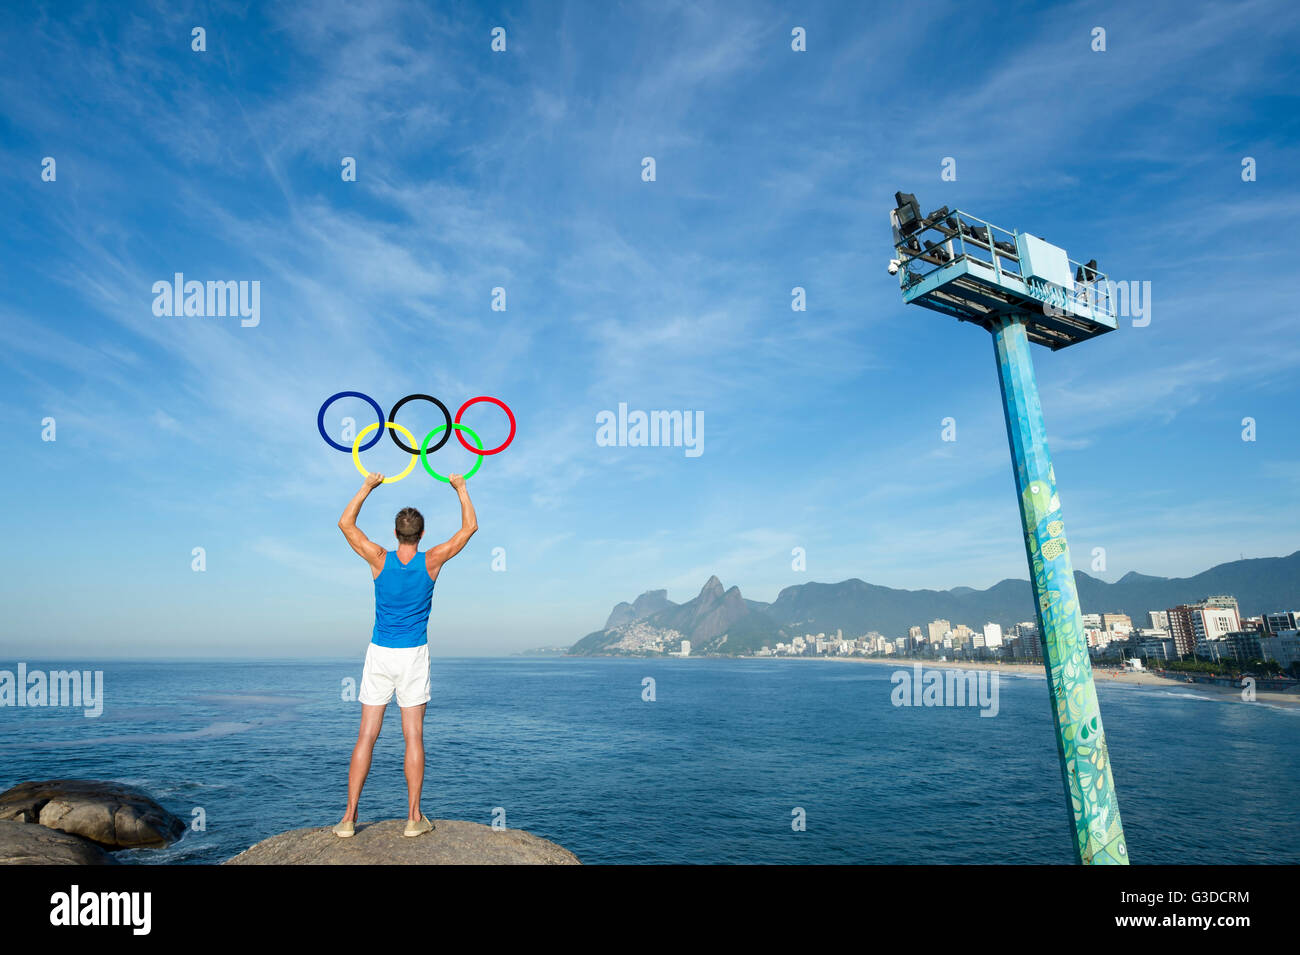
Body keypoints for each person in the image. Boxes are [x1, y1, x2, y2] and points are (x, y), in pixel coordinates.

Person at [332, 470, 477, 838]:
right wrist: (461, 488)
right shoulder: (432, 560)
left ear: (396, 534)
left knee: (366, 736)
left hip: (380, 653)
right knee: (413, 736)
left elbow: (345, 524)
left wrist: (367, 486)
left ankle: (349, 819)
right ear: (421, 534)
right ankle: (414, 818)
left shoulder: (379, 558)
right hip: (413, 655)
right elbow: (469, 528)